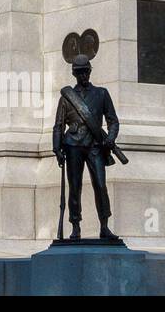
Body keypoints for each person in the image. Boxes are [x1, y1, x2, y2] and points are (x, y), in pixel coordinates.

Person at [52, 55, 122, 240]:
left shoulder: (101, 94)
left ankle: (104, 226)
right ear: (74, 73)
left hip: (95, 146)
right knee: (74, 188)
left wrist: (110, 139)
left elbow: (113, 121)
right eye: (80, 72)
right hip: (73, 145)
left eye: (86, 71)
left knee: (100, 185)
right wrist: (56, 149)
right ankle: (75, 227)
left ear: (90, 71)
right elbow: (58, 125)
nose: (83, 75)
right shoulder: (67, 98)